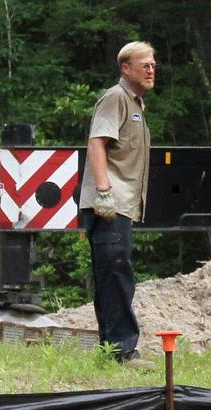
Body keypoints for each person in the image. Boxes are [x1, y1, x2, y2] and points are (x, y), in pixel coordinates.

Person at [78, 41, 156, 368]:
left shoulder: (134, 103)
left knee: (112, 275)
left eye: (153, 64)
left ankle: (111, 352)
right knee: (117, 275)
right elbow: (97, 143)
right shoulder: (116, 98)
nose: (151, 69)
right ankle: (124, 352)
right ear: (126, 68)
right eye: (144, 64)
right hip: (112, 204)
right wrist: (104, 192)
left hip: (120, 204)